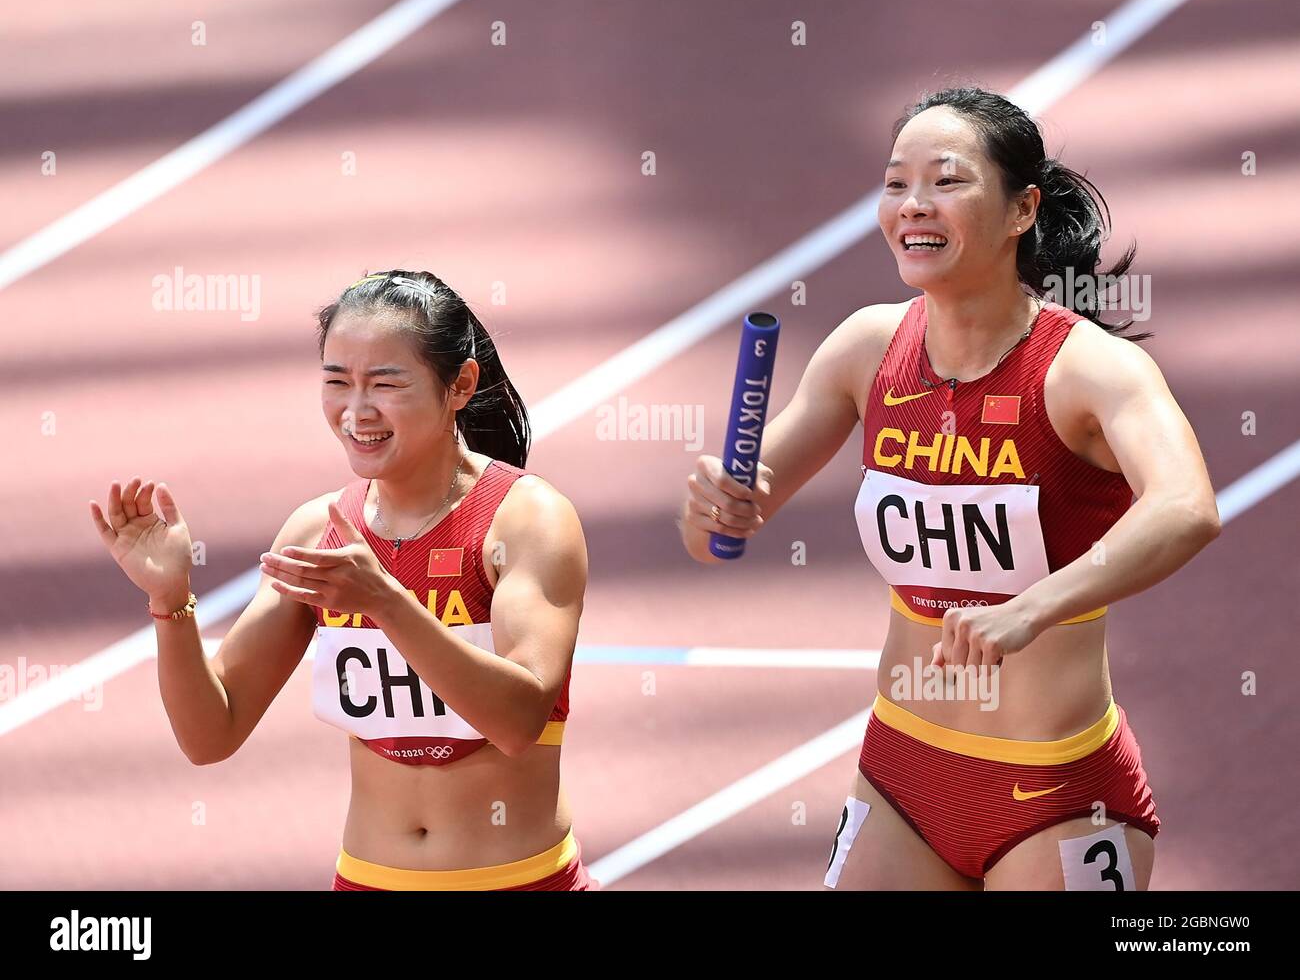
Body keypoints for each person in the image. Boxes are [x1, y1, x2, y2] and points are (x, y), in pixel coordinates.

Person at [678, 87, 1221, 891]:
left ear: (1021, 209)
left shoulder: (1089, 370)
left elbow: (1188, 508)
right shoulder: (868, 347)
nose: (913, 206)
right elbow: (721, 531)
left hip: (1057, 792)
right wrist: (714, 506)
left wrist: (1033, 606)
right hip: (903, 775)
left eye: (947, 181)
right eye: (897, 184)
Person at [91, 269, 596, 891]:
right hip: (368, 880)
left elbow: (519, 720)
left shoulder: (527, 520)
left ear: (460, 384)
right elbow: (210, 734)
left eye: (386, 383)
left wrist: (385, 601)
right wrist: (170, 601)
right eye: (337, 382)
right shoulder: (316, 533)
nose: (357, 411)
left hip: (520, 881)